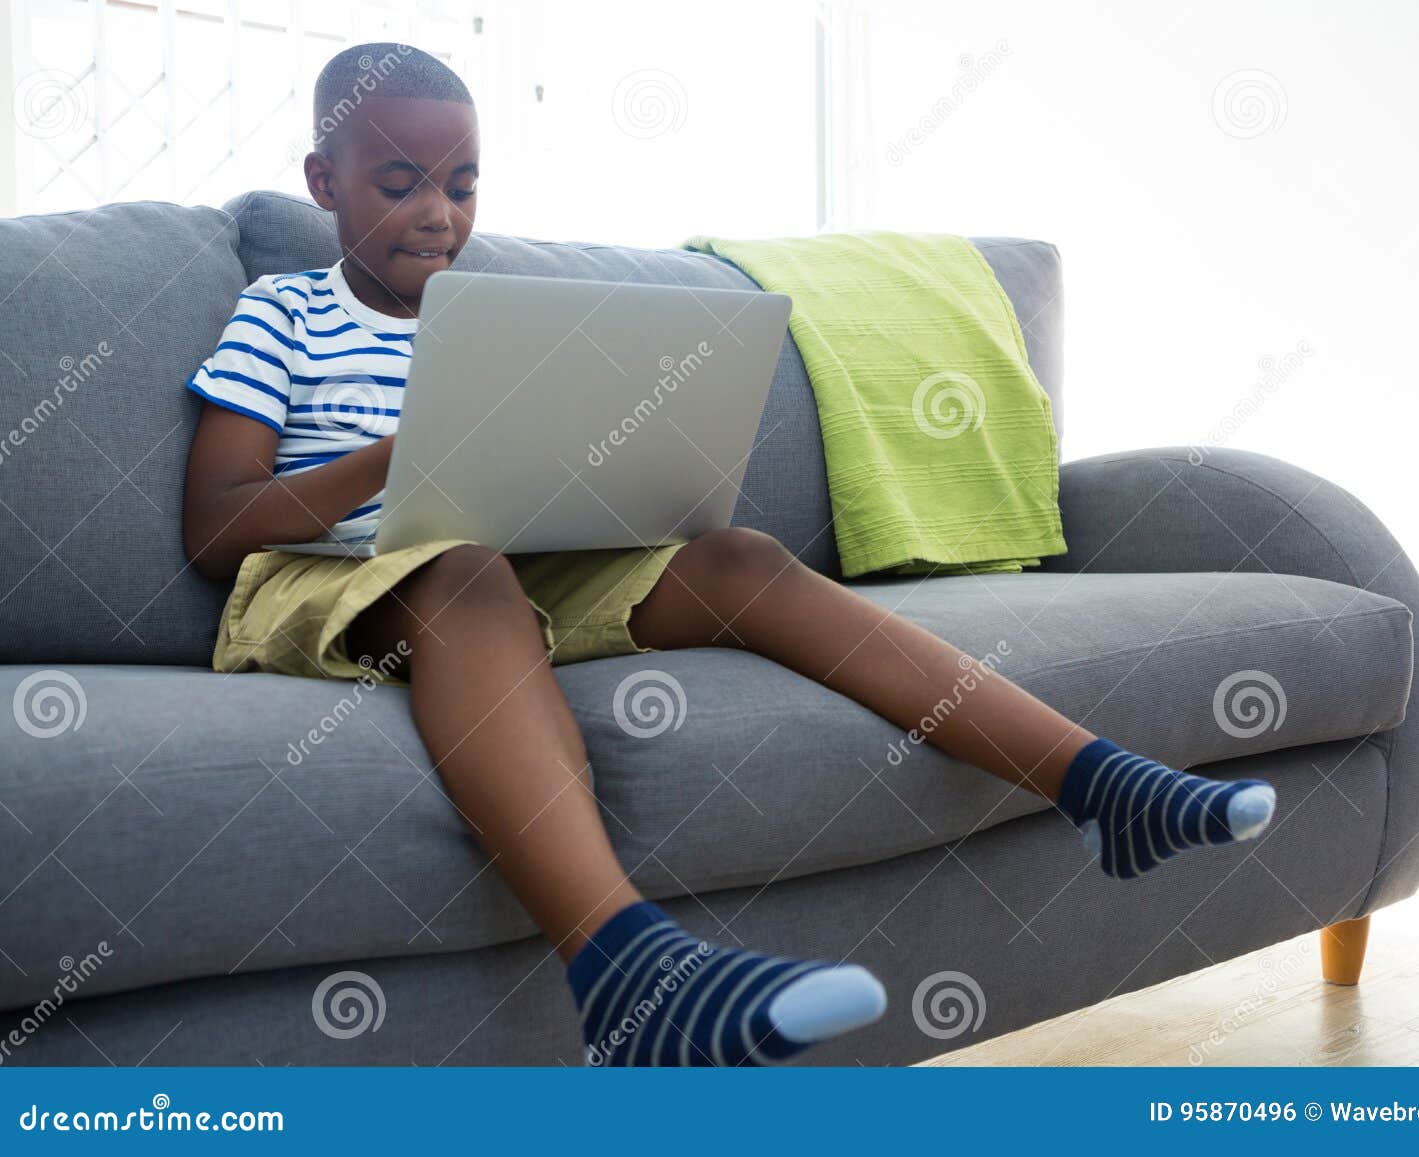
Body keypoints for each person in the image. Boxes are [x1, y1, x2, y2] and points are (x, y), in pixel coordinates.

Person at [181, 43, 1276, 1067]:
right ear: (324, 182)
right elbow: (217, 525)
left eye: (463, 186)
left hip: (500, 563)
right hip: (323, 579)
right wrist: (404, 454)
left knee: (736, 556)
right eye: (401, 183)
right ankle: (624, 968)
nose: (439, 214)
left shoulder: (500, 315)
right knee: (464, 571)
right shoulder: (283, 311)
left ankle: (1098, 784)